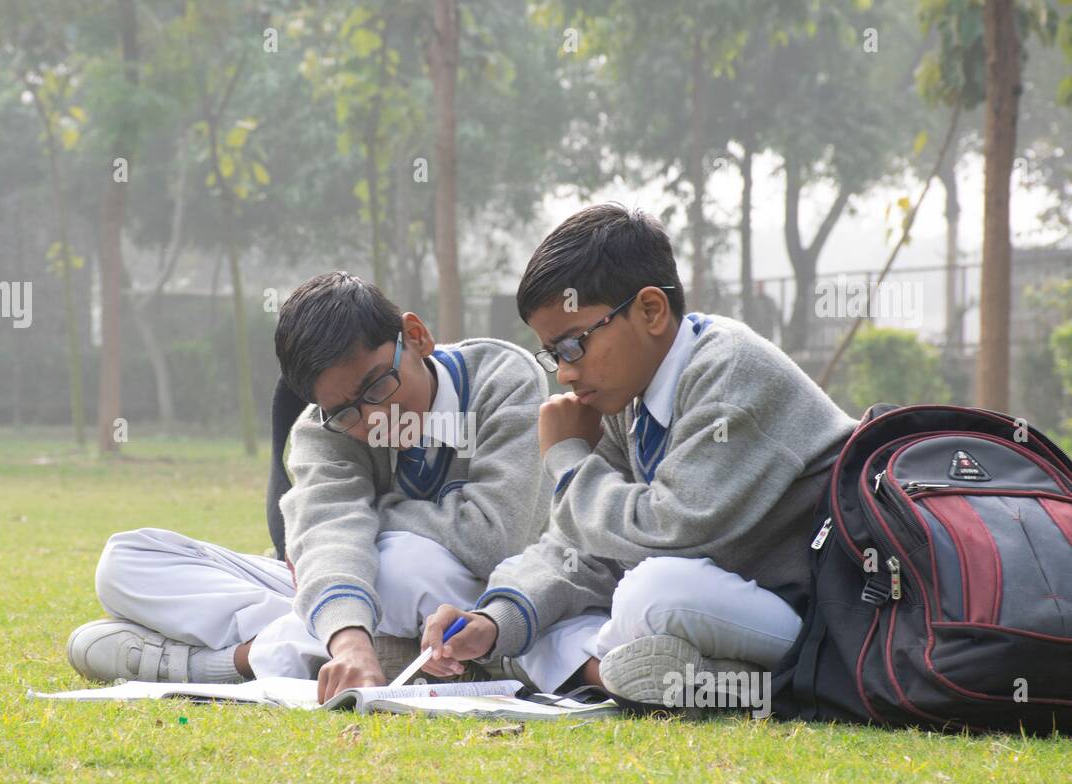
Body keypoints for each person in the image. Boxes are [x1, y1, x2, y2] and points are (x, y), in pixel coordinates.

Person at [66, 271, 604, 703]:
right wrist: (346, 621)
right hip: (361, 591)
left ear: (415, 337)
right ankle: (350, 649)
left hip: (480, 600)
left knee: (404, 560)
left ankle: (232, 664)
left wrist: (358, 525)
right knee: (126, 559)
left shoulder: (502, 381)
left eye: (377, 385)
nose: (372, 418)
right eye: (347, 409)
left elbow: (494, 537)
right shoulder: (325, 428)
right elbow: (327, 536)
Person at [419, 204, 858, 711]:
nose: (563, 373)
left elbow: (670, 532)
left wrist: (567, 459)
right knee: (533, 611)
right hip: (721, 609)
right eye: (553, 354)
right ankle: (693, 677)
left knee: (650, 589)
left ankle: (628, 674)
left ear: (650, 310)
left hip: (812, 621)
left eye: (572, 346)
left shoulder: (730, 371)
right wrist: (498, 619)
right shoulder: (626, 398)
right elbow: (584, 545)